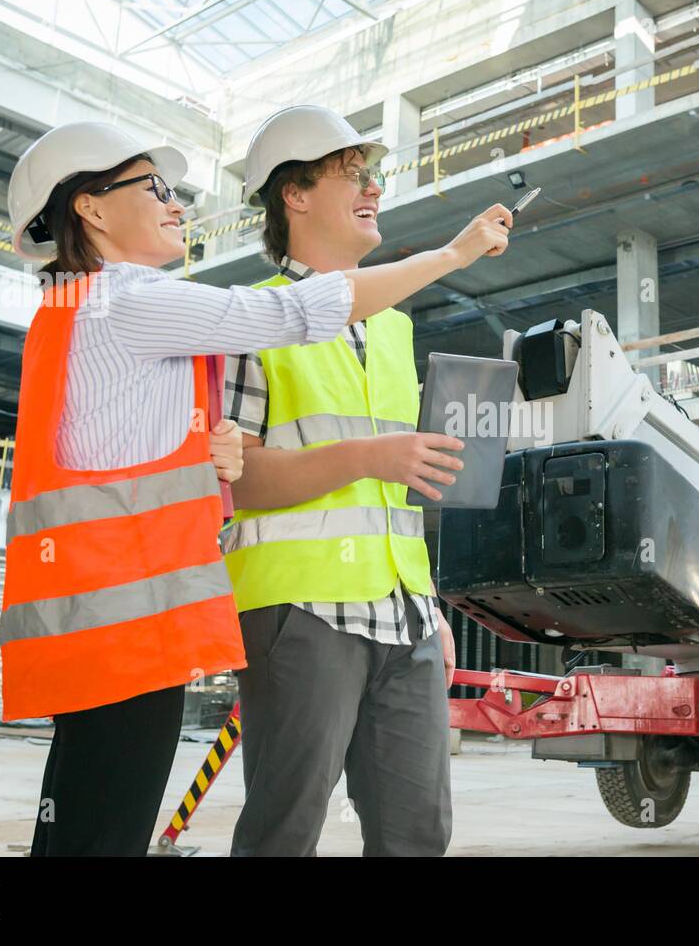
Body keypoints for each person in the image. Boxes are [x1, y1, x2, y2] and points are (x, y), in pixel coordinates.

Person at [0, 120, 510, 856]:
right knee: (126, 832)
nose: (176, 205)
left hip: (124, 625)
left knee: (93, 830)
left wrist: (214, 451)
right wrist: (457, 252)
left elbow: (118, 455)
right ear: (93, 208)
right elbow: (290, 314)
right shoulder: (129, 301)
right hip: (144, 623)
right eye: (155, 188)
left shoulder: (81, 311)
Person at [222, 106, 507, 856]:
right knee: (285, 831)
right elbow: (238, 476)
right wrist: (369, 459)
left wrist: (430, 605)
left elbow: (396, 493)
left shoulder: (394, 327)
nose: (375, 187)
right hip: (300, 613)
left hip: (403, 616)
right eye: (355, 174)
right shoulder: (249, 319)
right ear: (295, 193)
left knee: (418, 833)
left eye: (374, 175)